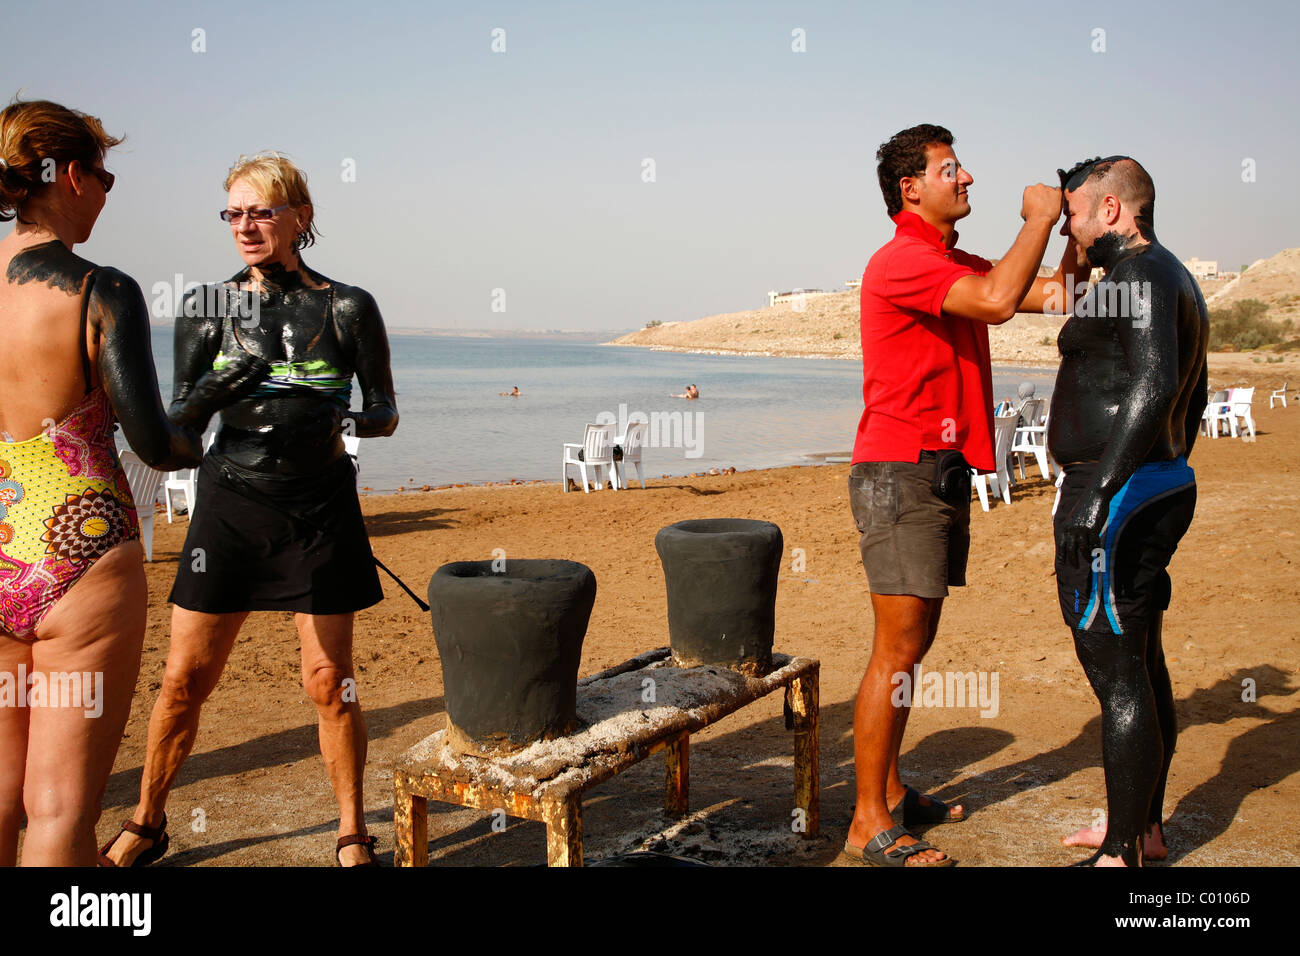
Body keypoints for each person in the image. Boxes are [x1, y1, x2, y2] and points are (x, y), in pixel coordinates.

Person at [102, 152, 398, 867]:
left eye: (261, 211)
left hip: (319, 506)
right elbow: (176, 429)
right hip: (230, 505)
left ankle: (352, 830)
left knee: (330, 680)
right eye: (233, 213)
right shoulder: (208, 308)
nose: (245, 225)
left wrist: (350, 417)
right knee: (183, 678)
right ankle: (146, 822)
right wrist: (214, 392)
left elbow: (386, 409)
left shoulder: (348, 306)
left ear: (302, 215)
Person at [0, 99, 263, 866]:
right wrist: (214, 393)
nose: (108, 194)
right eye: (105, 176)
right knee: (58, 810)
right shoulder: (97, 289)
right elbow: (163, 445)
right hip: (79, 562)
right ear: (71, 176)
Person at [843, 123, 1088, 866]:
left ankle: (888, 791)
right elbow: (997, 301)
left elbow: (1056, 295)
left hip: (935, 471)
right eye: (953, 169)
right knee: (896, 649)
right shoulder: (903, 261)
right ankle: (865, 822)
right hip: (900, 473)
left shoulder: (948, 258)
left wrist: (1070, 230)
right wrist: (1041, 218)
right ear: (911, 187)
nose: (969, 178)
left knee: (913, 648)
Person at [1048, 156, 1208, 866]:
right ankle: (1139, 828)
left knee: (1115, 669)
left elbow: (1156, 382)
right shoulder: (1167, 275)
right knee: (1141, 660)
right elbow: (1191, 397)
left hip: (1119, 491)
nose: (1070, 225)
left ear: (1112, 210)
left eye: (1075, 213)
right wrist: (1166, 463)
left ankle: (1120, 853)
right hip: (1154, 478)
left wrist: (1104, 491)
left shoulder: (1141, 276)